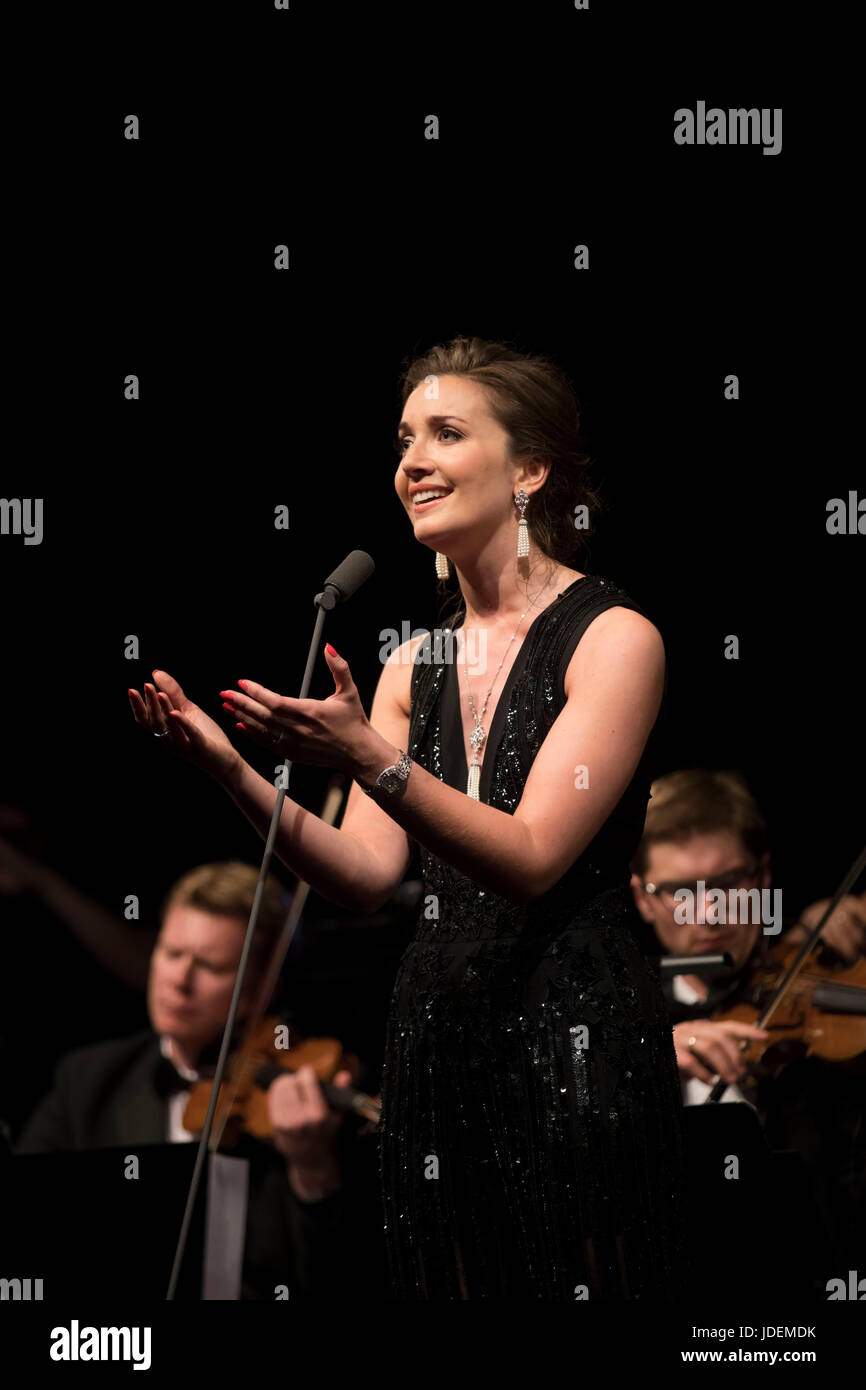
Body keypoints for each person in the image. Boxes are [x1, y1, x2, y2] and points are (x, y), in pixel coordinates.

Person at [128, 334, 689, 1300]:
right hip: (440, 1036)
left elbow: (530, 856)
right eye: (403, 440)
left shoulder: (614, 638)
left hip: (574, 1033)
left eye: (446, 433)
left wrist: (369, 757)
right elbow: (361, 874)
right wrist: (230, 772)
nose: (411, 462)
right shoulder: (410, 664)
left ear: (530, 470)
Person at [14, 860, 374, 1298]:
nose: (178, 981)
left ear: (260, 989)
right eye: (170, 953)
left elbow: (337, 1282)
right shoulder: (89, 1079)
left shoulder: (297, 1096)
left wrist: (312, 1168)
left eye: (210, 966)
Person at [630, 767, 866, 1271]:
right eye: (679, 891)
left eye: (729, 884)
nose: (709, 912)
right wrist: (643, 1061)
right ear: (643, 900)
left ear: (762, 878)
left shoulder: (819, 959)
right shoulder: (619, 1026)